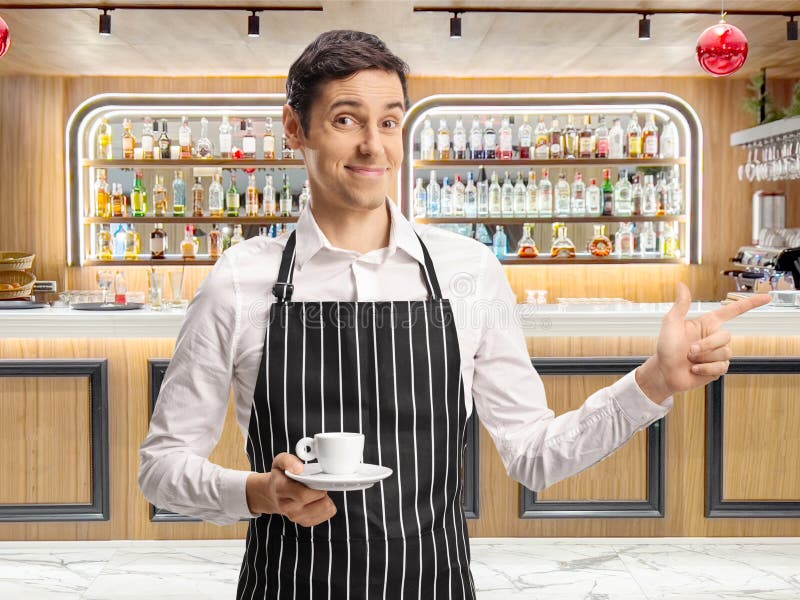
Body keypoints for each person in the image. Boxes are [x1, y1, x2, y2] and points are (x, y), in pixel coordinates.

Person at [138, 30, 769, 600]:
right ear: (295, 129)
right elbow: (161, 470)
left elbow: (533, 453)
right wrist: (256, 493)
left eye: (390, 122)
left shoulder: (468, 271)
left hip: (432, 582)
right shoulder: (240, 280)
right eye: (345, 119)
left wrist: (654, 384)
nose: (372, 145)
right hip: (289, 584)